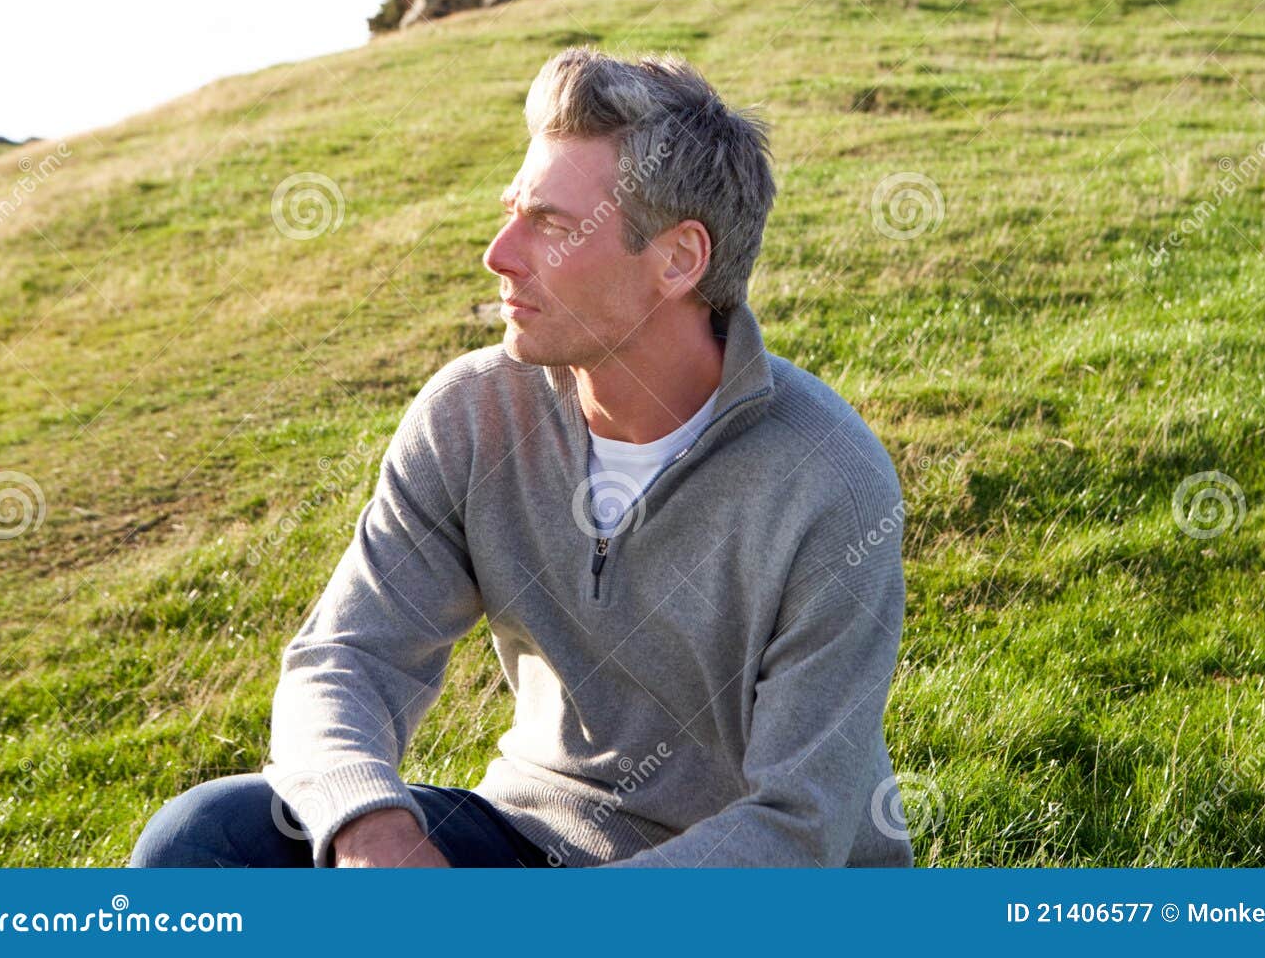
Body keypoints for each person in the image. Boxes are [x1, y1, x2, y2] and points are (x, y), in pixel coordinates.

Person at [129, 47, 912, 868]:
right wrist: (372, 830)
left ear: (679, 259)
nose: (499, 253)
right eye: (512, 212)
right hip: (534, 835)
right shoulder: (471, 415)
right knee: (203, 839)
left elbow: (796, 825)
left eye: (550, 224)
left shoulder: (829, 480)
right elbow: (346, 657)